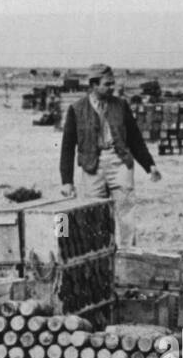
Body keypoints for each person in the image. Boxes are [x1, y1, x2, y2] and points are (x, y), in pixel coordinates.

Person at [59, 63, 160, 246]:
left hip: (120, 163)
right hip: (92, 167)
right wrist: (67, 181)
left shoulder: (121, 105)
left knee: (126, 215)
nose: (112, 88)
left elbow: (134, 138)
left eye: (113, 83)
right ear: (94, 85)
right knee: (92, 217)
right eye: (107, 84)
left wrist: (149, 165)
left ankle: (129, 258)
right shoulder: (76, 109)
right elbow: (67, 147)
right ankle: (99, 259)